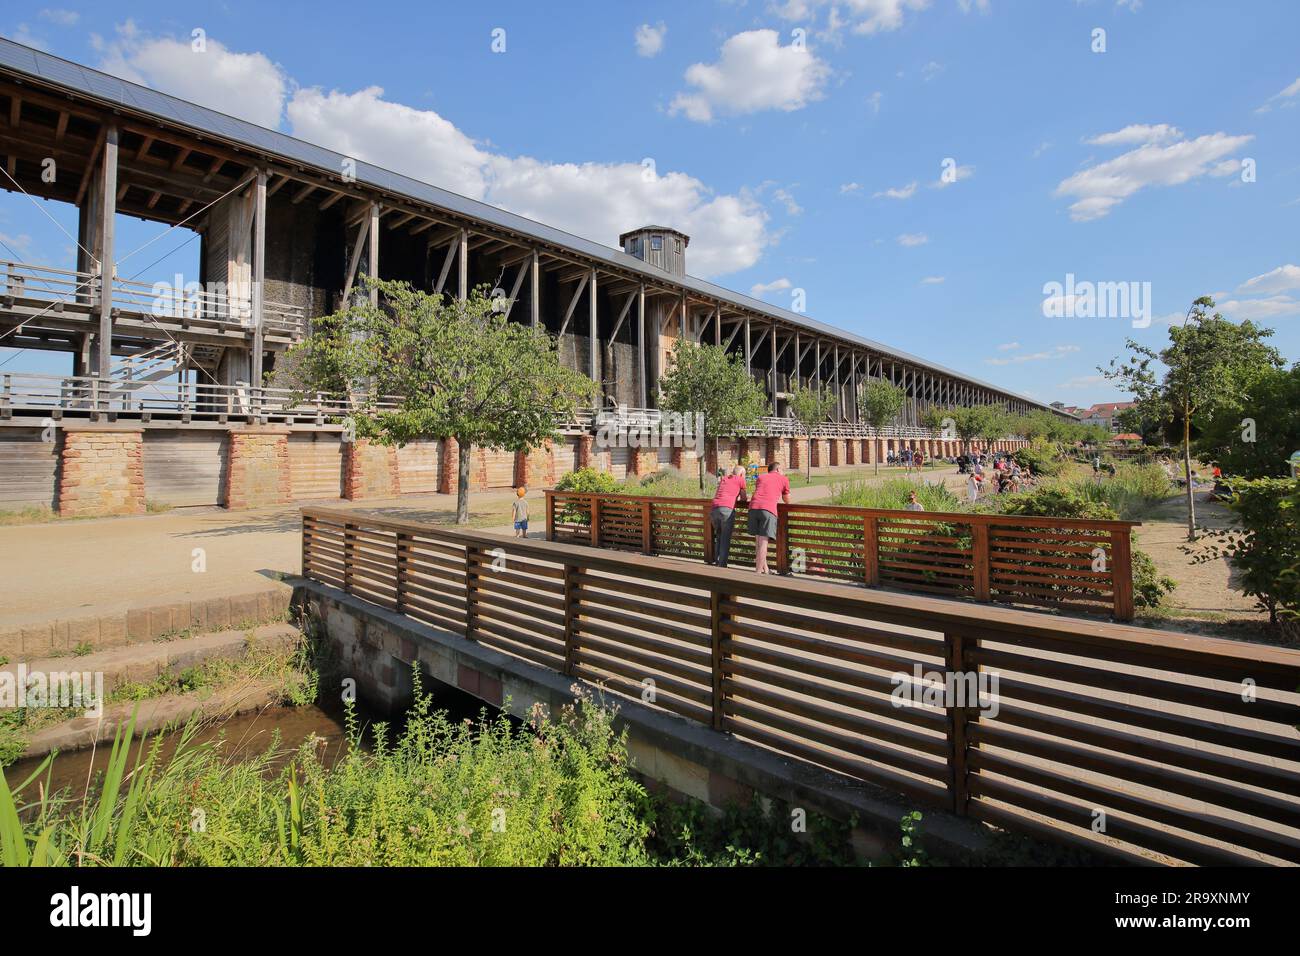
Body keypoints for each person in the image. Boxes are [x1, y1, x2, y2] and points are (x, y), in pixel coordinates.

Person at [747, 461, 791, 574]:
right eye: (782, 469)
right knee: (763, 543)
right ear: (777, 469)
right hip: (768, 510)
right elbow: (787, 500)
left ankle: (765, 569)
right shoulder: (783, 479)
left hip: (753, 508)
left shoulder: (761, 477)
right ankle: (757, 573)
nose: (783, 471)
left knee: (758, 541)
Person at [709, 465, 748, 568]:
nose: (744, 477)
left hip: (714, 509)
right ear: (741, 474)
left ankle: (717, 561)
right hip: (726, 510)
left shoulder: (725, 479)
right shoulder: (740, 480)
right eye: (744, 475)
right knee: (725, 538)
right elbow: (744, 498)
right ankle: (722, 565)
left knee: (719, 536)